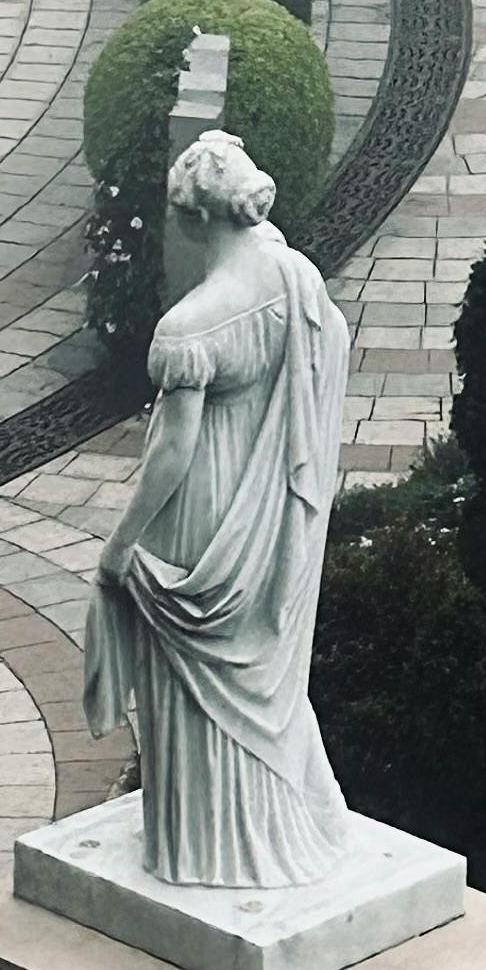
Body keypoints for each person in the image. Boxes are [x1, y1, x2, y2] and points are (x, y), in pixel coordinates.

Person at [86, 128, 350, 888]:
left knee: (196, 684)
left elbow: (170, 453)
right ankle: (280, 828)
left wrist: (119, 547)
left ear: (191, 218)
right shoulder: (292, 275)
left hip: (202, 514)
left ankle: (207, 850)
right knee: (258, 668)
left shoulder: (192, 324)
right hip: (265, 505)